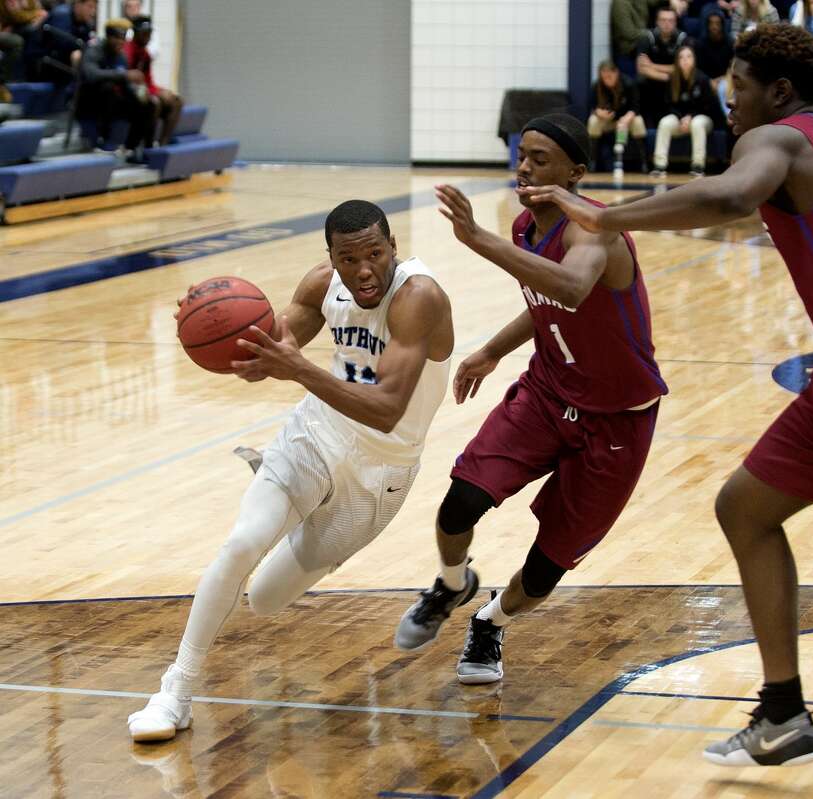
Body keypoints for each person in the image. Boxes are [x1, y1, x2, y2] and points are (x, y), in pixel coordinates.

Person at [522, 22, 813, 786]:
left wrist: (605, 215)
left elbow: (733, 195)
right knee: (743, 507)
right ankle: (783, 711)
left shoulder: (779, 140)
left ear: (778, 91)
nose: (726, 98)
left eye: (736, 86)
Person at [126, 200, 454, 742]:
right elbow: (265, 357)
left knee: (265, 599)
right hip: (316, 433)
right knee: (241, 545)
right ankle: (175, 692)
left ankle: (294, 506)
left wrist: (297, 368)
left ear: (394, 247)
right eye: (349, 259)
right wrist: (208, 320)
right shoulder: (322, 284)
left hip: (381, 468)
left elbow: (386, 408)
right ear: (332, 257)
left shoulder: (419, 297)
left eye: (375, 254)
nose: (364, 270)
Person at [394, 114, 666, 686]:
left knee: (545, 570)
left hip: (617, 421)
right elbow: (545, 301)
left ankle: (490, 621)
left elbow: (570, 286)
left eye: (540, 160)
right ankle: (451, 584)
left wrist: (477, 239)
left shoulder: (596, 230)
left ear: (575, 173)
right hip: (547, 393)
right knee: (460, 502)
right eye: (522, 155)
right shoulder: (525, 227)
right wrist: (491, 351)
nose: (524, 168)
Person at [76, 18, 154, 153]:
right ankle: (100, 139)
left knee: (147, 104)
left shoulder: (121, 56)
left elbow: (125, 85)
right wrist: (123, 75)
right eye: (117, 38)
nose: (120, 42)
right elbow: (91, 75)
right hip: (88, 100)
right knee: (109, 90)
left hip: (110, 101)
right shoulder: (94, 50)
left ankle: (132, 147)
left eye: (123, 38)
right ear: (108, 36)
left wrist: (140, 92)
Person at [652, 44, 718, 176]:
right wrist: (681, 118)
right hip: (681, 120)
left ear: (694, 59)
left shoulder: (702, 79)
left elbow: (708, 107)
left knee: (697, 123)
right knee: (665, 123)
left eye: (688, 57)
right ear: (677, 61)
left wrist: (690, 117)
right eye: (681, 57)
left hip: (703, 120)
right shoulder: (673, 79)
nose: (685, 60)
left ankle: (698, 166)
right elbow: (669, 105)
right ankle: (660, 165)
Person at [125, 16, 183, 147]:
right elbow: (125, 82)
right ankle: (148, 146)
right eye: (145, 33)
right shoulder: (127, 50)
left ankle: (163, 144)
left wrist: (161, 92)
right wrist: (153, 94)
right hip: (127, 93)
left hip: (142, 90)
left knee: (176, 101)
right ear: (136, 33)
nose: (148, 37)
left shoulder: (145, 53)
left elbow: (148, 81)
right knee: (154, 103)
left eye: (150, 33)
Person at [637, 5, 691, 134]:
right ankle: (647, 129)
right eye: (663, 20)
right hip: (654, 82)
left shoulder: (682, 38)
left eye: (670, 20)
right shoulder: (647, 37)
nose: (667, 24)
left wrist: (652, 65)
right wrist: (666, 76)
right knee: (639, 82)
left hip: (675, 82)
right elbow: (641, 68)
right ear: (657, 21)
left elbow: (683, 68)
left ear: (676, 22)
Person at [589, 59, 649, 174]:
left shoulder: (628, 83)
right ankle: (592, 162)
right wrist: (599, 112)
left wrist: (626, 119)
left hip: (625, 120)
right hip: (607, 121)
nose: (607, 80)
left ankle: (644, 162)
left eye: (609, 77)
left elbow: (636, 107)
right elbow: (592, 106)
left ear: (616, 73)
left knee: (638, 122)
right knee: (593, 121)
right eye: (604, 77)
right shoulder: (597, 85)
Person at [612, 0, 654, 77]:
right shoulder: (620, 4)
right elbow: (629, 33)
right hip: (627, 54)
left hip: (640, 50)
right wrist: (651, 33)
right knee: (631, 82)